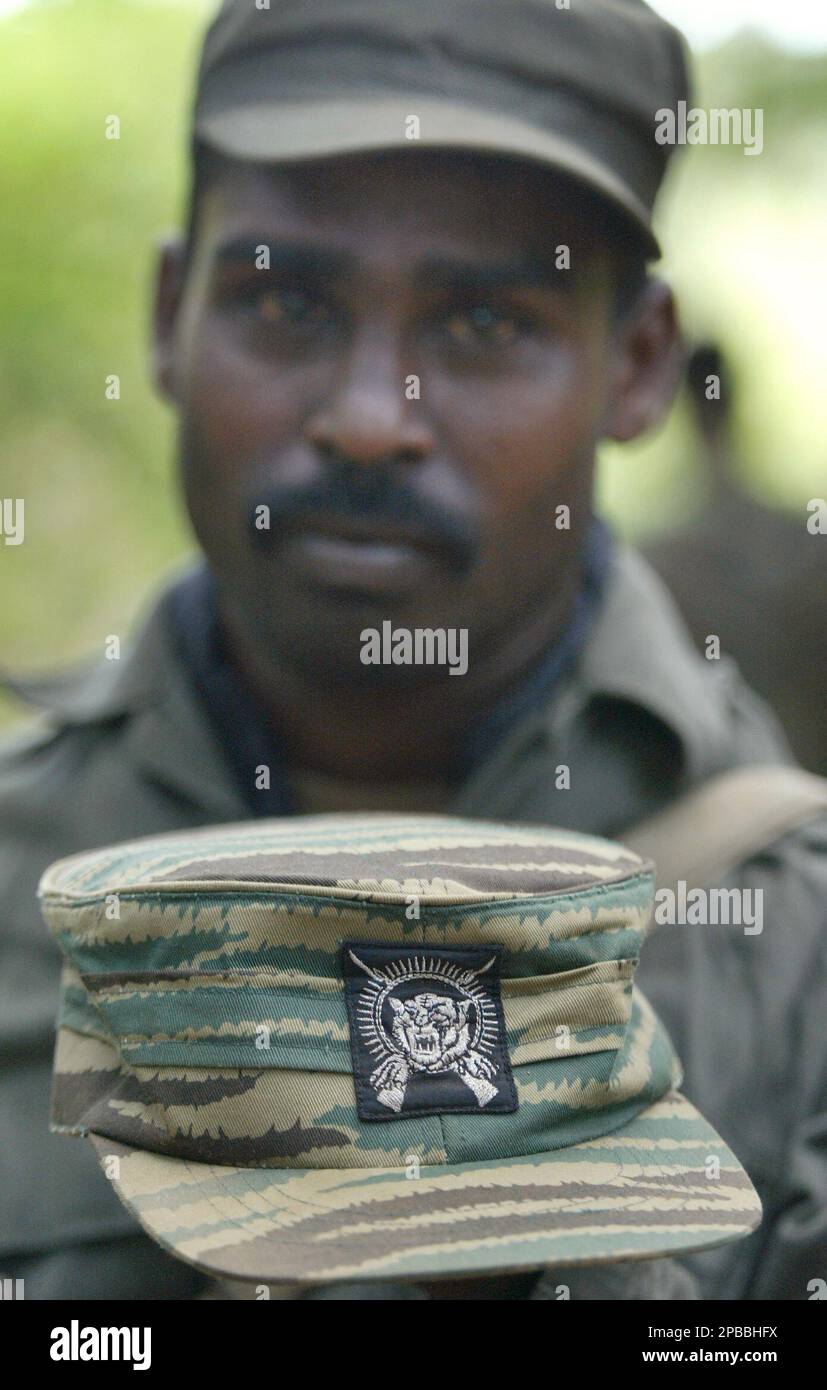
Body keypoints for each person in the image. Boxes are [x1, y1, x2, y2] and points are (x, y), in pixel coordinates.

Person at [1, 0, 825, 1300]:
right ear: (169, 313)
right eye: (284, 301)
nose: (369, 420)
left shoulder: (802, 950)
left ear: (640, 366)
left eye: (484, 325)